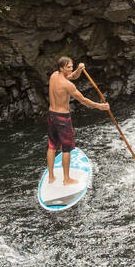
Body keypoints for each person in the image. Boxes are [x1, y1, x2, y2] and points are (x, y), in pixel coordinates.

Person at [47, 57, 109, 185]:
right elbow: (83, 100)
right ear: (61, 68)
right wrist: (100, 106)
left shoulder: (54, 76)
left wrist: (79, 70)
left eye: (71, 66)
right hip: (62, 118)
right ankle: (66, 179)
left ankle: (51, 177)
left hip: (51, 115)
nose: (71, 69)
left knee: (52, 146)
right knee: (66, 149)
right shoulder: (68, 85)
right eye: (68, 67)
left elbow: (72, 76)